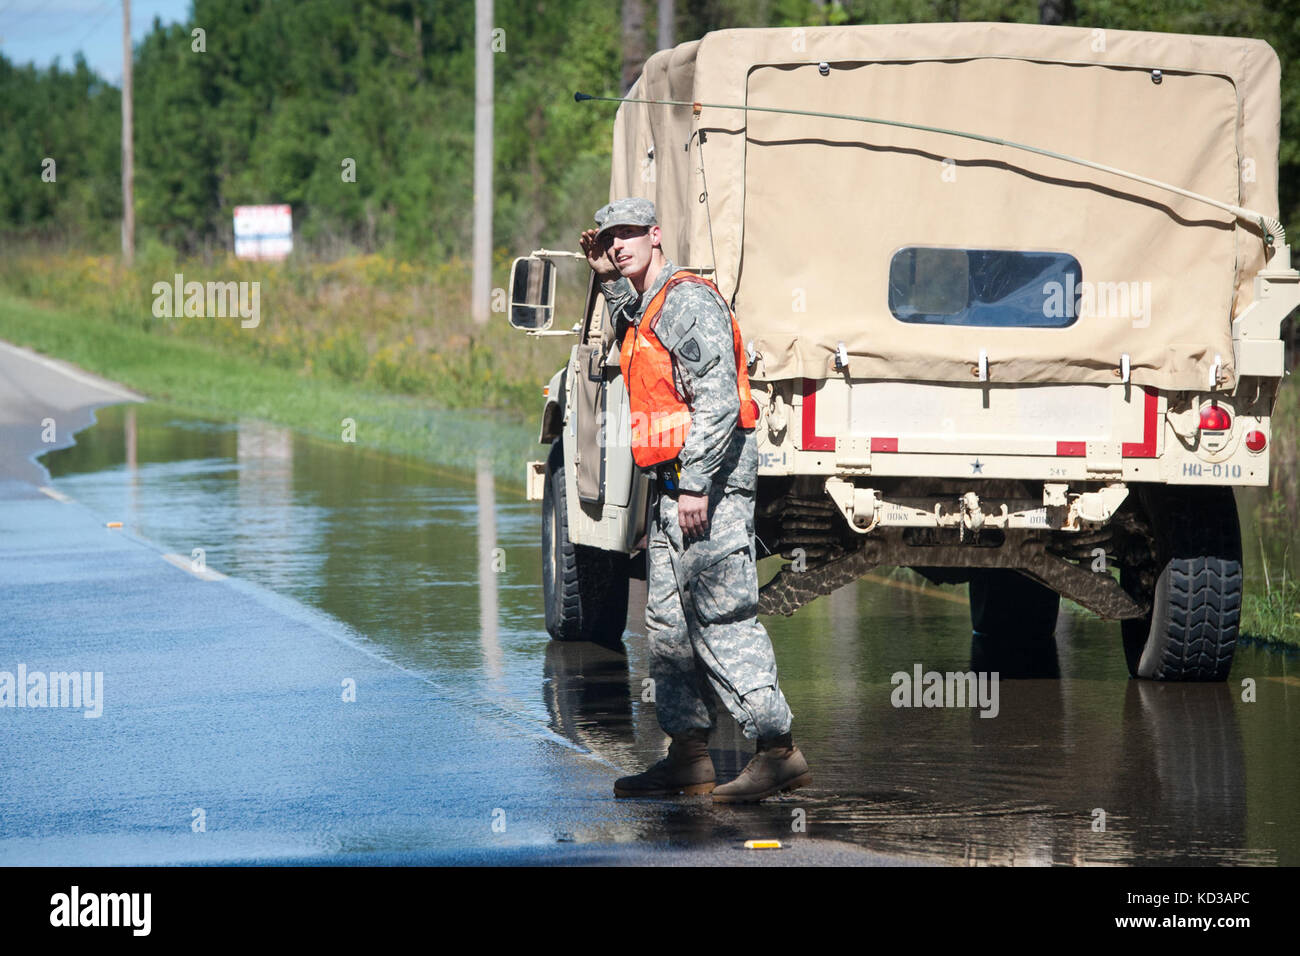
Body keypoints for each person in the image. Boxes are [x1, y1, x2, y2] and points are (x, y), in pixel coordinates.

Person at [579, 197, 811, 803]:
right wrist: (606, 282)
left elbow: (718, 402)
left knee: (721, 617)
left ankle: (778, 750)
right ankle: (689, 756)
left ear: (656, 235)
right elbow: (645, 337)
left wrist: (695, 483)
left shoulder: (687, 299)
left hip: (706, 487)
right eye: (611, 238)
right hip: (672, 488)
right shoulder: (650, 303)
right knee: (669, 628)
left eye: (629, 234)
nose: (619, 244)